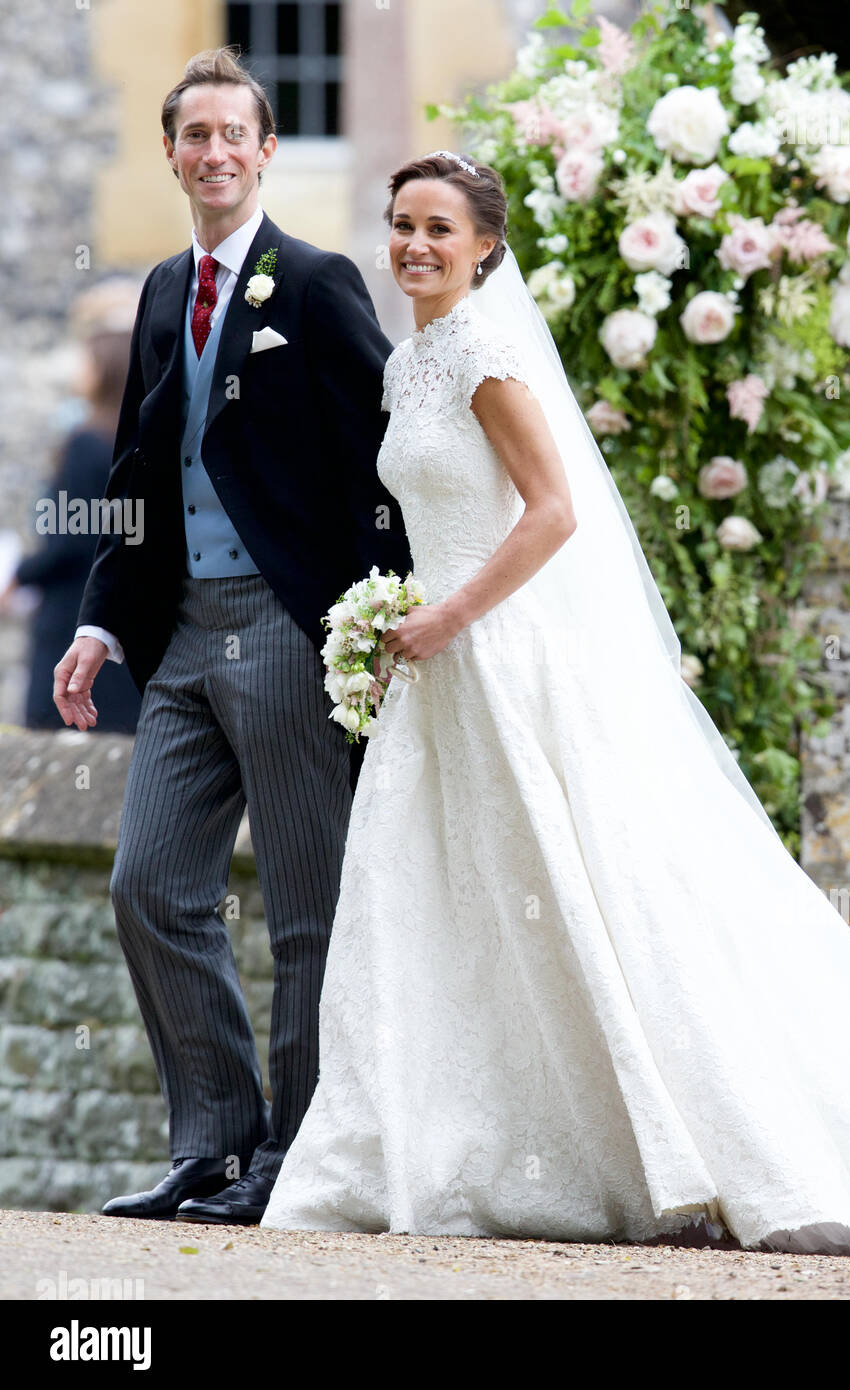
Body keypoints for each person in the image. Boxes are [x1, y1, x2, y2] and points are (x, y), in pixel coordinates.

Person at [261, 153, 850, 1263]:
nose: (412, 245)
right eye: (401, 224)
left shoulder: (490, 357)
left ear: (485, 245)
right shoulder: (411, 362)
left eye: (438, 228)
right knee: (440, 895)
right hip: (437, 670)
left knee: (591, 887)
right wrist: (403, 620)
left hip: (503, 658)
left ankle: (696, 1145)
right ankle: (439, 1145)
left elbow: (551, 515)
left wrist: (447, 617)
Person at [51, 46, 410, 1226]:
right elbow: (140, 466)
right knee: (148, 883)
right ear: (170, 154)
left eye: (231, 135)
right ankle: (212, 1142)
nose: (211, 152)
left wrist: (368, 621)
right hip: (181, 642)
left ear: (263, 152)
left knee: (307, 912)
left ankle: (296, 1161)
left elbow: (387, 458)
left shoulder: (314, 284)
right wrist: (102, 620)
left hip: (287, 630)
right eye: (190, 135)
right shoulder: (161, 290)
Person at [2, 281, 143, 732]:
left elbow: (69, 542)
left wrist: (17, 575)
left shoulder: (86, 443)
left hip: (74, 622)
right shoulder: (135, 440)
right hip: (119, 629)